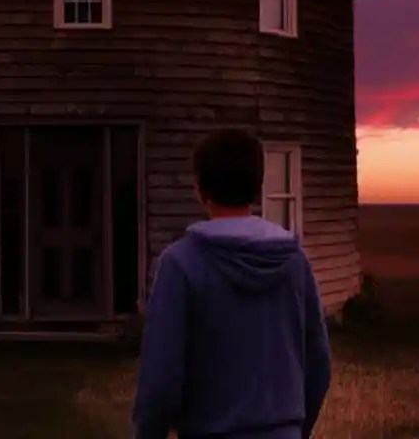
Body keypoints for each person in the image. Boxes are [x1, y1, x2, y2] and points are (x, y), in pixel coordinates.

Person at [132, 128, 332, 439]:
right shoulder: (294, 262)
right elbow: (319, 364)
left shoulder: (181, 264)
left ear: (200, 188)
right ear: (258, 184)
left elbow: (160, 381)